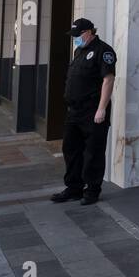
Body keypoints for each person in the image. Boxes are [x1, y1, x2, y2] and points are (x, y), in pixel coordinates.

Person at [51, 19, 117, 206]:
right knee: (71, 149)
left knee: (93, 152)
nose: (75, 39)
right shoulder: (79, 50)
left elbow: (108, 80)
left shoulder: (104, 51)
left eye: (77, 35)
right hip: (74, 110)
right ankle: (74, 188)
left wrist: (101, 108)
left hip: (93, 110)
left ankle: (92, 190)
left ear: (89, 32)